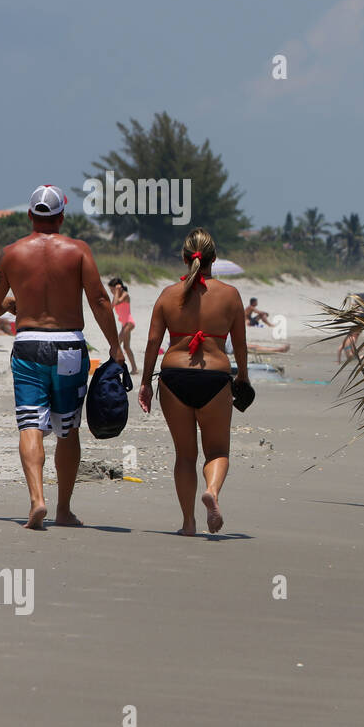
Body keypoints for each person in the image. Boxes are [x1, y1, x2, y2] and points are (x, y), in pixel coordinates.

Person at [0, 185, 125, 530]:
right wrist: (115, 346)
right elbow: (100, 301)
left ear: (31, 215)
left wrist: (11, 304)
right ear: (61, 216)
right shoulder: (77, 251)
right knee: (67, 429)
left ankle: (36, 500)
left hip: (29, 343)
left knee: (30, 423)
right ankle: (63, 509)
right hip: (70, 347)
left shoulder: (11, 253)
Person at [138, 229, 250, 536]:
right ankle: (211, 492)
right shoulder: (230, 295)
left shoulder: (168, 295)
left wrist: (145, 382)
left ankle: (188, 524)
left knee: (185, 455)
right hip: (215, 378)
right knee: (217, 452)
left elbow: (152, 342)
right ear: (214, 258)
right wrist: (242, 376)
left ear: (186, 258)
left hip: (174, 377)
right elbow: (240, 345)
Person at [108, 277, 138, 375]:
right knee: (126, 347)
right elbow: (112, 306)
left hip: (129, 323)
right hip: (124, 324)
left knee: (117, 344)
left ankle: (112, 366)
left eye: (112, 289)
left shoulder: (125, 295)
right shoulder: (117, 296)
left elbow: (116, 302)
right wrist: (116, 292)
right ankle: (134, 369)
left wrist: (116, 291)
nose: (112, 292)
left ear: (118, 288)